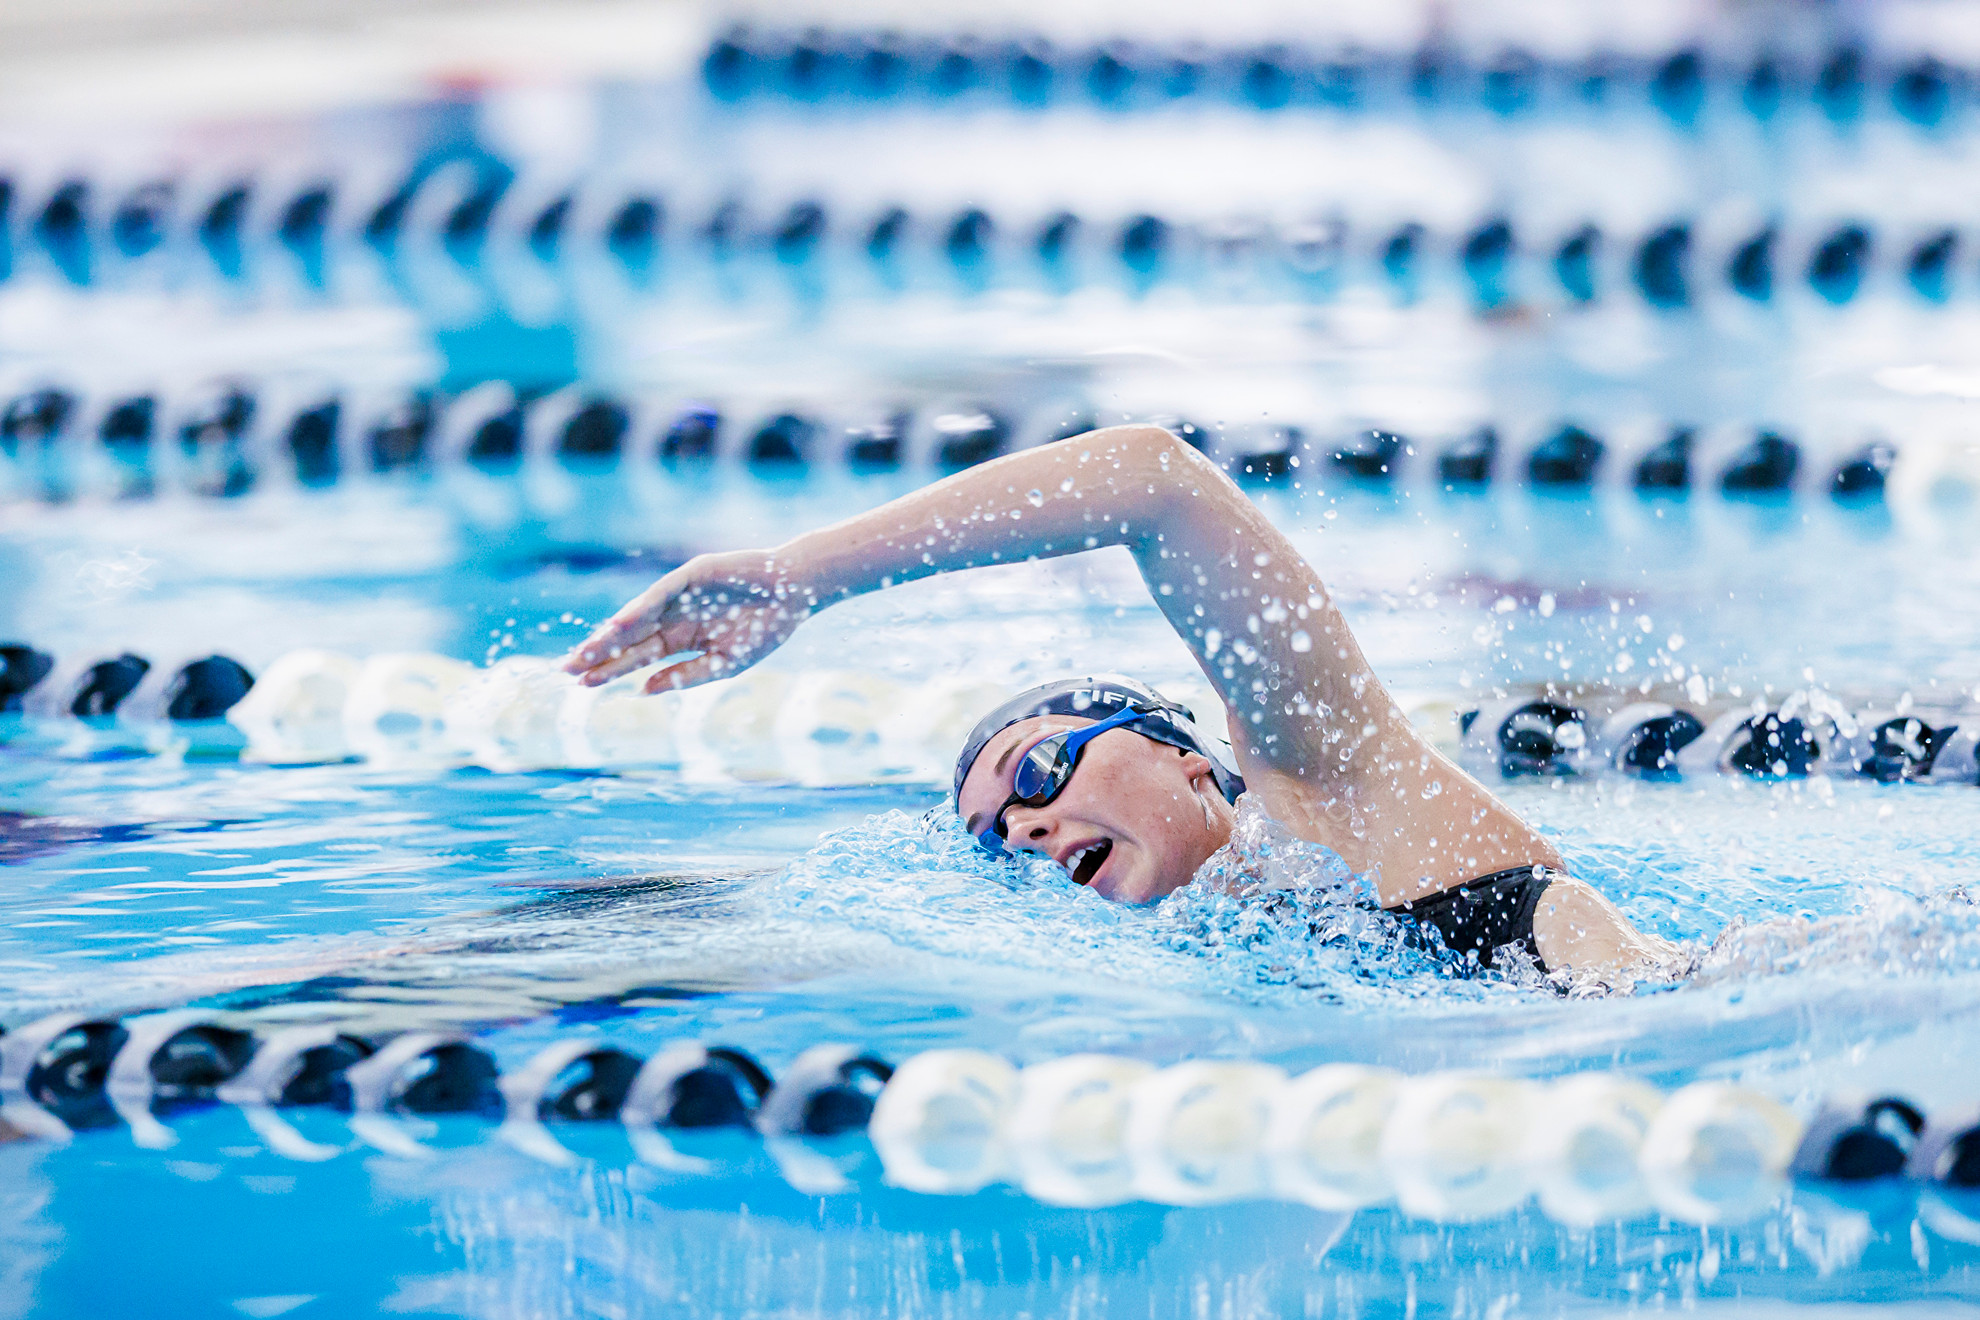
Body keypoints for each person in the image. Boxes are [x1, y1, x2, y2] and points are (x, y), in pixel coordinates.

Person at [563, 424, 1681, 983]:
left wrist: (808, 571)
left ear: (1188, 758)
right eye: (1002, 837)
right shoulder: (1233, 952)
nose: (1029, 829)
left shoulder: (1328, 789)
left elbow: (1153, 478)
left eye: (1038, 775)